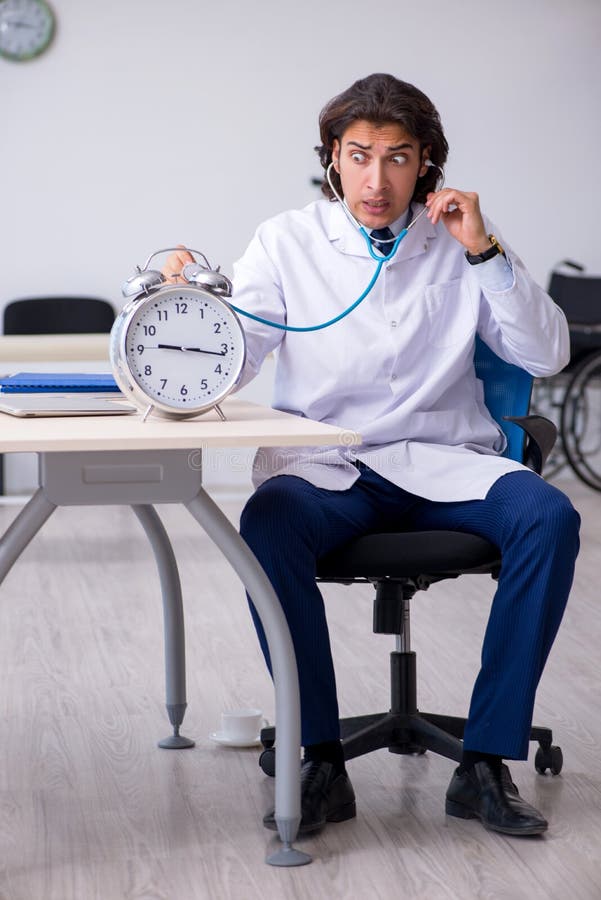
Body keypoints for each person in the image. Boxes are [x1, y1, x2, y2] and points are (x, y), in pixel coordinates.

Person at [163, 73, 580, 838]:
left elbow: (547, 354)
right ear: (331, 157)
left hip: (444, 463)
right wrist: (183, 303)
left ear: (426, 164)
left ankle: (484, 763)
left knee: (548, 518)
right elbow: (235, 355)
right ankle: (320, 756)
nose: (376, 178)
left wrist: (484, 252)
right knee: (270, 520)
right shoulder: (285, 242)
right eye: (359, 156)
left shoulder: (461, 243)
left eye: (397, 157)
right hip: (332, 470)